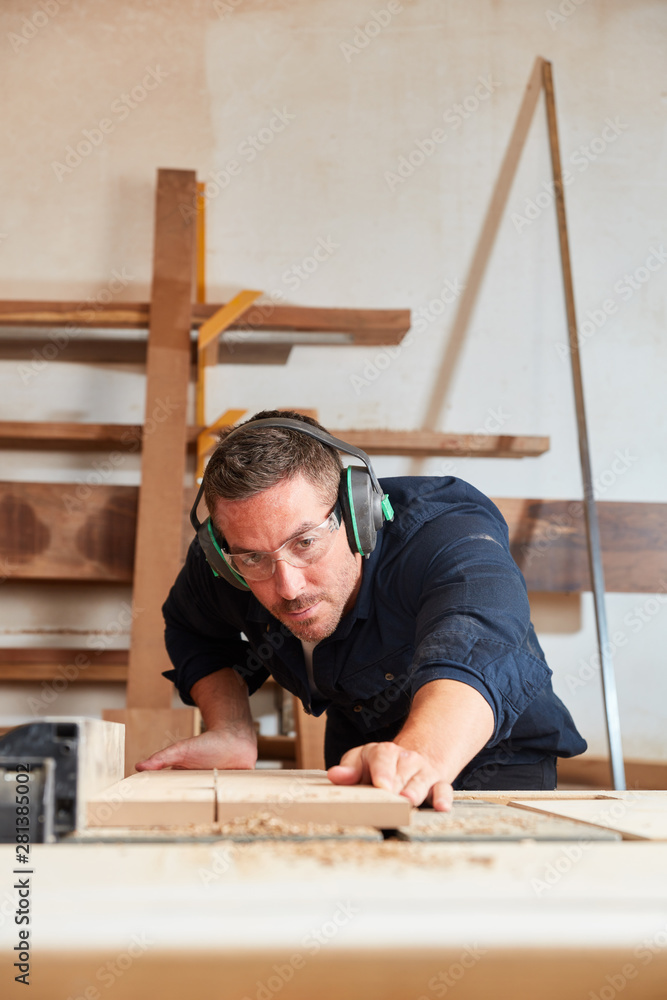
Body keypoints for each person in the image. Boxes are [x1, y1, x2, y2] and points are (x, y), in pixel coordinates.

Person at [137, 410, 586, 810]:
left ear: (357, 514)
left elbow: (480, 640)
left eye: (306, 543)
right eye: (254, 558)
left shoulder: (445, 530)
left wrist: (418, 755)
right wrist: (231, 727)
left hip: (492, 757)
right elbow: (192, 630)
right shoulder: (232, 559)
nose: (288, 587)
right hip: (362, 751)